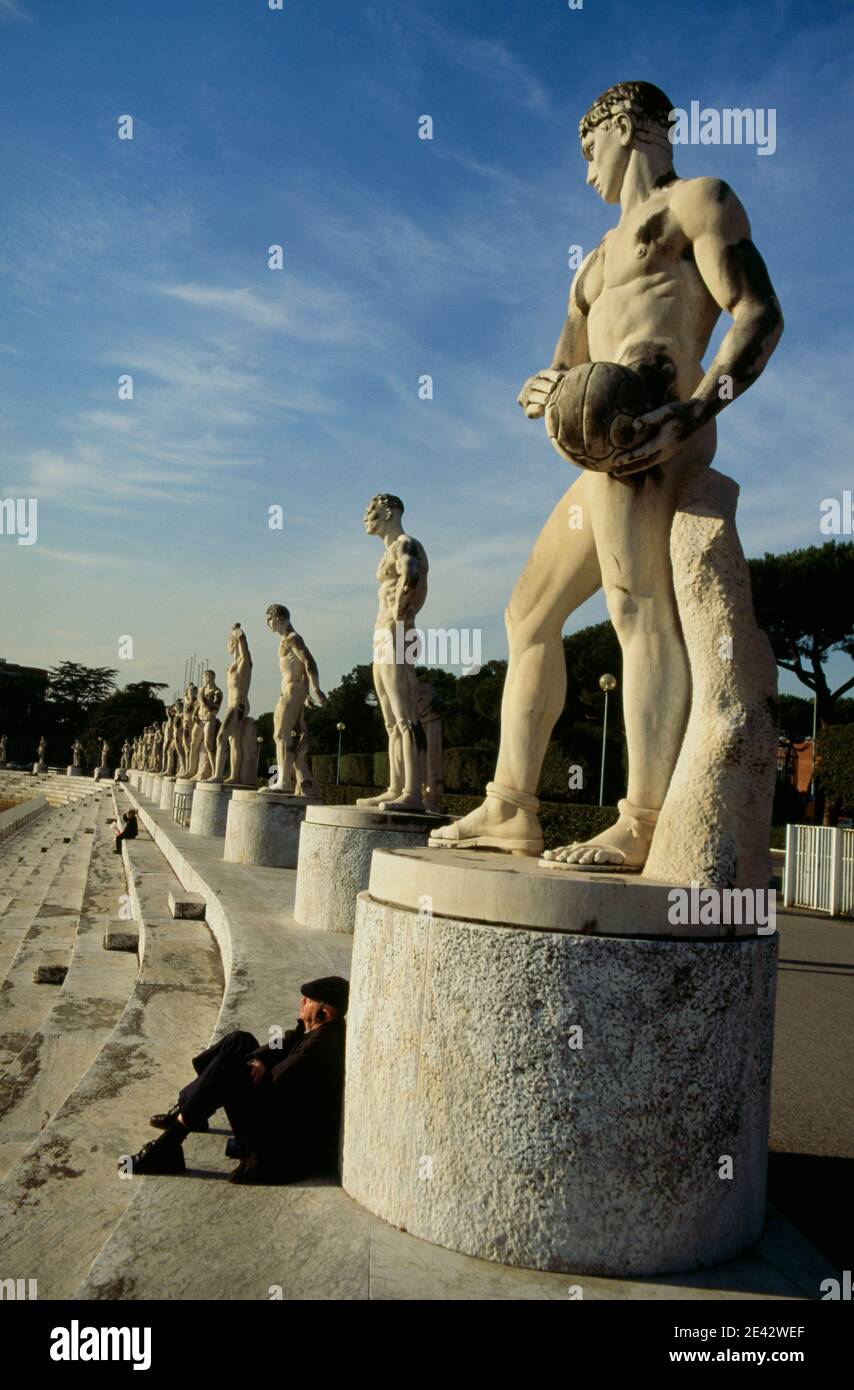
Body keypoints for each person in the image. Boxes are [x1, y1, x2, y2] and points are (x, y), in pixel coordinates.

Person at [430, 79, 783, 869]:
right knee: (527, 616)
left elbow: (759, 314)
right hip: (600, 458)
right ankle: (511, 808)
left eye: (590, 149)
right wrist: (544, 387)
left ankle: (646, 821)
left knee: (637, 610)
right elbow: (566, 366)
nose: (587, 169)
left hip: (658, 433)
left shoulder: (698, 202)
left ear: (626, 127)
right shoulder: (589, 267)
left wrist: (691, 413)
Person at [123, 976, 349, 1184]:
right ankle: (189, 1110)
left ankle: (169, 1145)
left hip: (280, 1146)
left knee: (229, 1067)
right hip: (278, 1114)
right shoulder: (316, 1030)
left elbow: (279, 1082)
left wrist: (248, 1069)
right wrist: (258, 1059)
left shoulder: (319, 1046)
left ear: (324, 1013)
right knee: (239, 1041)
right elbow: (282, 1044)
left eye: (308, 1001)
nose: (302, 1003)